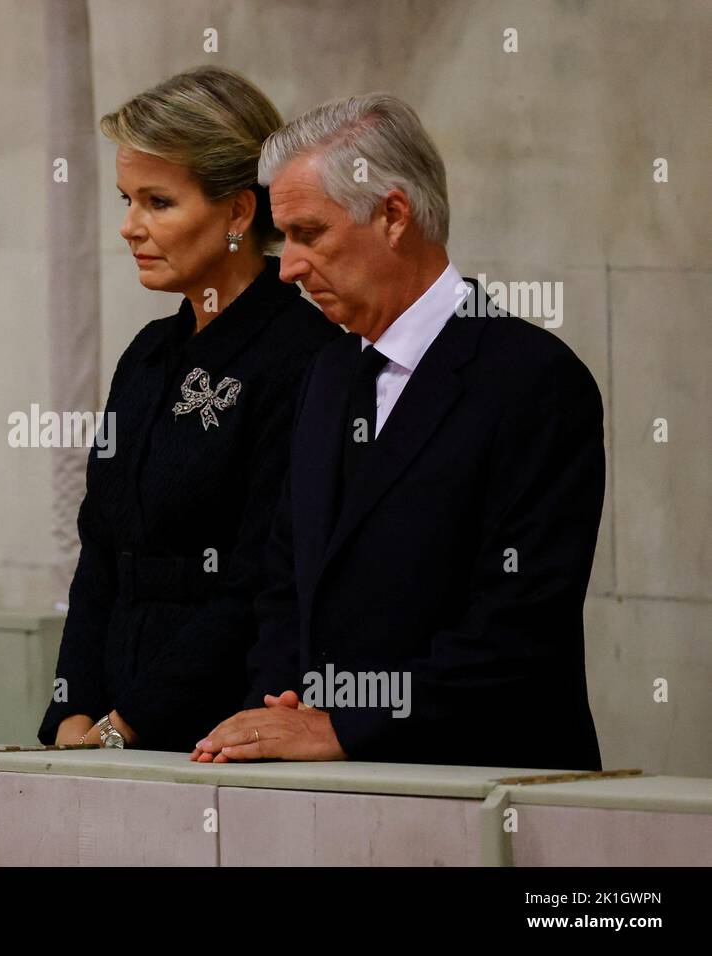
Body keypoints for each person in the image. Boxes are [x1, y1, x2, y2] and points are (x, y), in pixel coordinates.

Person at [193, 93, 605, 770]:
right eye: (283, 237)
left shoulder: (534, 381)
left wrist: (347, 728)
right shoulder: (325, 375)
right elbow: (282, 585)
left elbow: (520, 623)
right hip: (323, 794)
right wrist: (281, 712)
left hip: (489, 789)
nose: (288, 267)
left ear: (391, 215)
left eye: (308, 233)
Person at [37, 66, 341, 752]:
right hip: (109, 720)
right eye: (126, 199)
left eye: (157, 203)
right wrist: (72, 710)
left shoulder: (305, 356)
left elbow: (265, 575)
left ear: (238, 213)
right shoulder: (148, 354)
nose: (128, 227)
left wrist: (129, 724)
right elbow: (100, 556)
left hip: (228, 732)